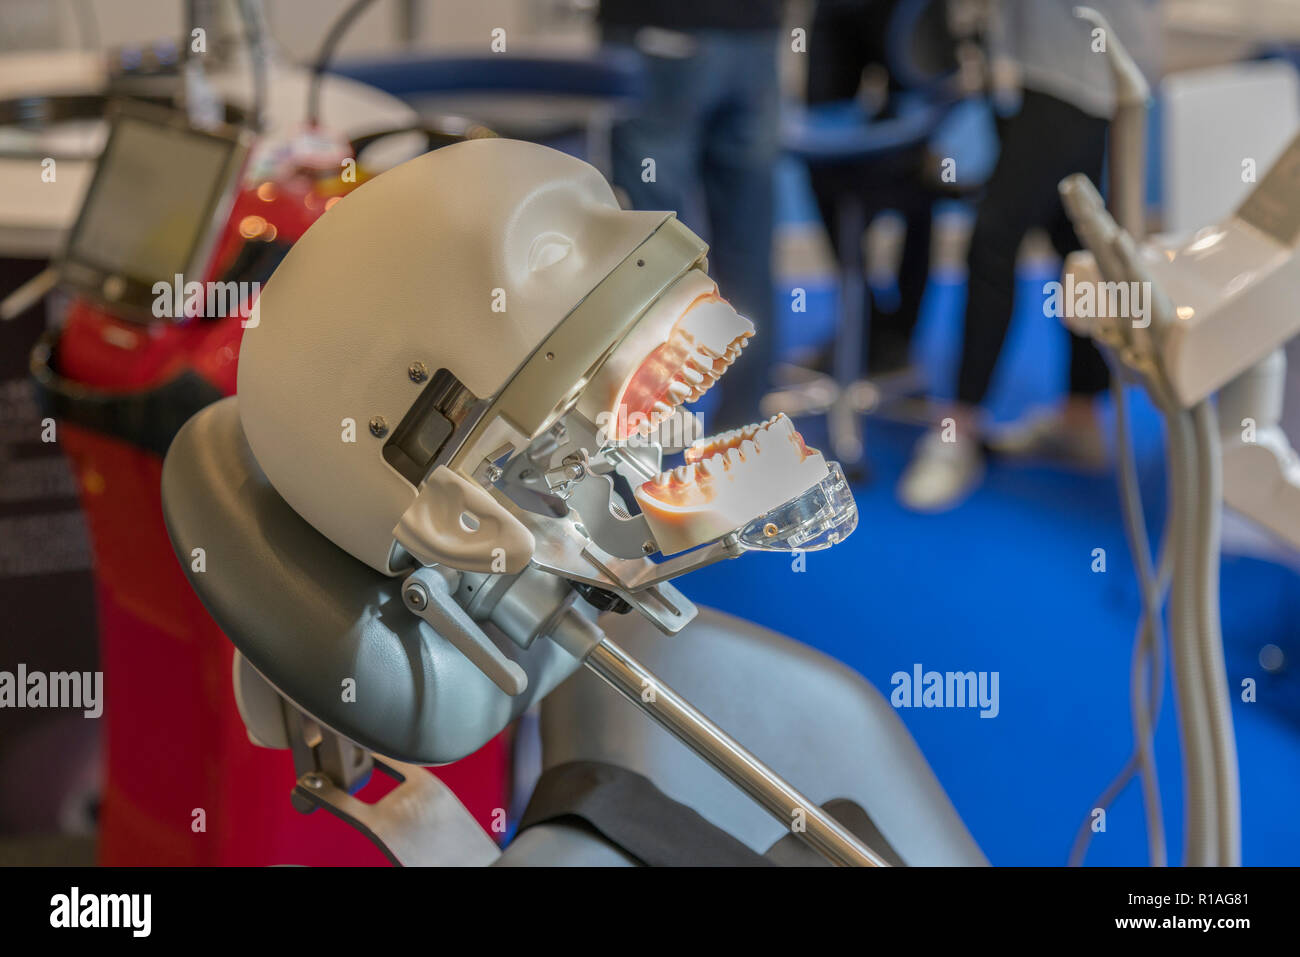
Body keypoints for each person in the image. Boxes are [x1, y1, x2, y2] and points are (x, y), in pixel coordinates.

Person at [897, 0, 1160, 511]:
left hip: (1080, 61)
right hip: (1037, 61)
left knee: (995, 236)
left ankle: (959, 427)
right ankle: (1081, 418)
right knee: (1071, 237)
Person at [598, 0, 782, 432]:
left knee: (656, 247)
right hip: (756, 34)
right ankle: (744, 427)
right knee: (747, 243)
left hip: (665, 29)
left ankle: (639, 431)